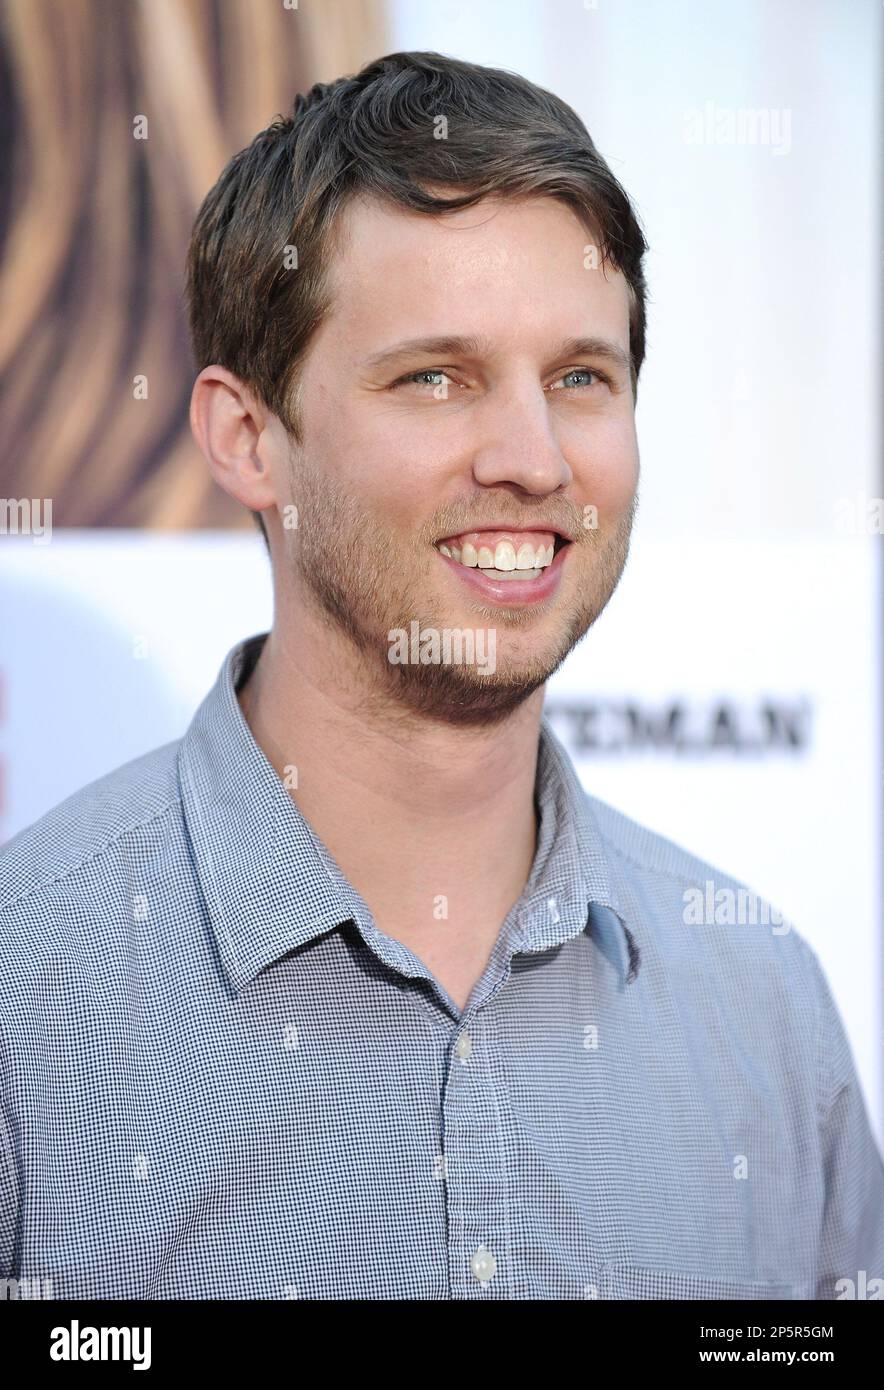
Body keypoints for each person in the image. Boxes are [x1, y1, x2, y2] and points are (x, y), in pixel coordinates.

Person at [1, 51, 882, 1302]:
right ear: (246, 438)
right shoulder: (25, 990)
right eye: (435, 378)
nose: (531, 457)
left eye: (580, 377)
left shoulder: (760, 1005)